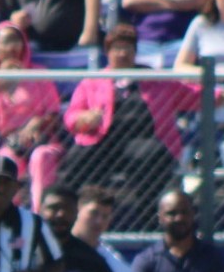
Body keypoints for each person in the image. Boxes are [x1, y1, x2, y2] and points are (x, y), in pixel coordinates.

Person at [61, 24, 191, 227]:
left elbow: (191, 95)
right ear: (108, 52)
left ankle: (146, 222)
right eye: (117, 48)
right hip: (102, 141)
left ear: (135, 52)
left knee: (152, 154)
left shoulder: (155, 80)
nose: (122, 53)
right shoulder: (93, 81)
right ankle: (73, 217)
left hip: (142, 141)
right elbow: (71, 117)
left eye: (127, 49)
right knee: (78, 157)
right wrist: (85, 118)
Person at [0, 21, 62, 207]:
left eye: (16, 41)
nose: (12, 47)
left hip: (41, 141)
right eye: (6, 42)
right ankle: (11, 216)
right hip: (8, 143)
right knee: (6, 163)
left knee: (40, 158)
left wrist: (36, 123)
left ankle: (38, 217)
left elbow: (54, 113)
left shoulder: (38, 74)